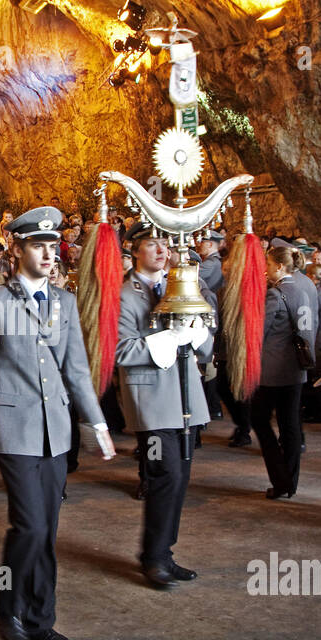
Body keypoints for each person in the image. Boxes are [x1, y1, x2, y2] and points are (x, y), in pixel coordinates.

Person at [0, 206, 114, 640]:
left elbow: (77, 370)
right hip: (14, 427)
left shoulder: (64, 302)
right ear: (18, 248)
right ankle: (6, 605)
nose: (49, 253)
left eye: (53, 245)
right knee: (28, 525)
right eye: (38, 245)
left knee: (46, 529)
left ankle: (40, 617)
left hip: (57, 430)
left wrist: (97, 422)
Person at [115, 223, 209, 588]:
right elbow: (123, 350)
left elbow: (204, 339)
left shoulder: (181, 286)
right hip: (152, 397)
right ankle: (151, 557)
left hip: (185, 393)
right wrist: (169, 338)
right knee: (164, 475)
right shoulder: (127, 294)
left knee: (181, 477)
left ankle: (165, 552)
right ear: (135, 250)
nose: (161, 250)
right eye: (152, 243)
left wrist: (198, 334)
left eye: (165, 244)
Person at [253, 245, 316, 499]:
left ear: (279, 266)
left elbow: (260, 333)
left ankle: (280, 477)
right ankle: (290, 480)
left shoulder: (275, 295)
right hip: (295, 369)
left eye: (268, 264)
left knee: (258, 419)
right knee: (290, 425)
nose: (266, 269)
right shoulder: (304, 290)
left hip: (273, 370)